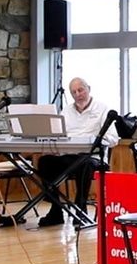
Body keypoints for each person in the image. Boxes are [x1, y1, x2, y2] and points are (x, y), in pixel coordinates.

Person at [35, 77, 117, 227]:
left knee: (84, 163)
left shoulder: (102, 109)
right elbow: (57, 134)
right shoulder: (66, 111)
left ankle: (81, 209)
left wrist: (95, 140)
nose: (78, 94)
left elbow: (113, 139)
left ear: (89, 89)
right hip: (69, 155)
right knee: (45, 162)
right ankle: (56, 211)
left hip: (93, 157)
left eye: (81, 90)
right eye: (74, 92)